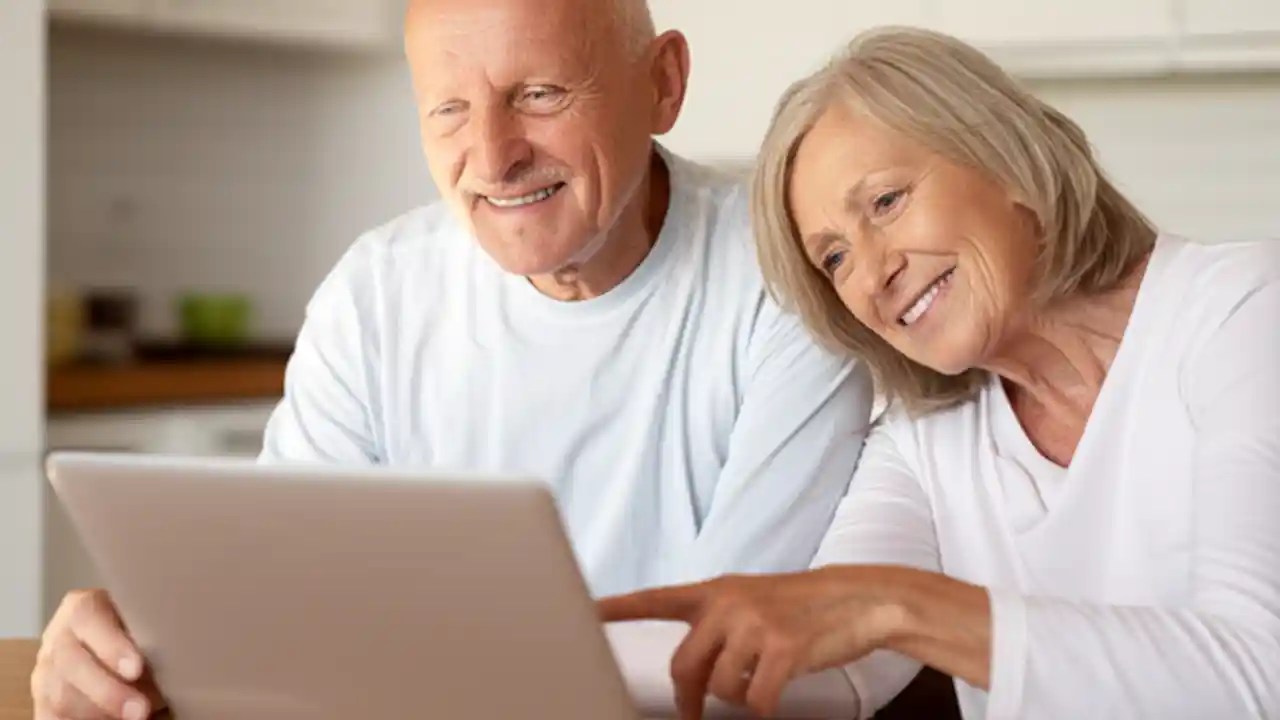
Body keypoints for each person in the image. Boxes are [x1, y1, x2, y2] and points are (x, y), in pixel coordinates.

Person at [31, 1, 873, 718]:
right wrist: (141, 646)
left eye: (538, 95)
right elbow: (279, 598)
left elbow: (720, 656)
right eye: (449, 110)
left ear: (663, 82)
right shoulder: (376, 293)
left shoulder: (784, 279)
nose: (495, 154)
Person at [600, 26, 1280, 720]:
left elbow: (1261, 672)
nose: (872, 272)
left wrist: (899, 606)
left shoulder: (1244, 311)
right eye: (833, 258)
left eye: (886, 203)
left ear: (1005, 159)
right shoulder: (925, 444)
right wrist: (563, 645)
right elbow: (839, 674)